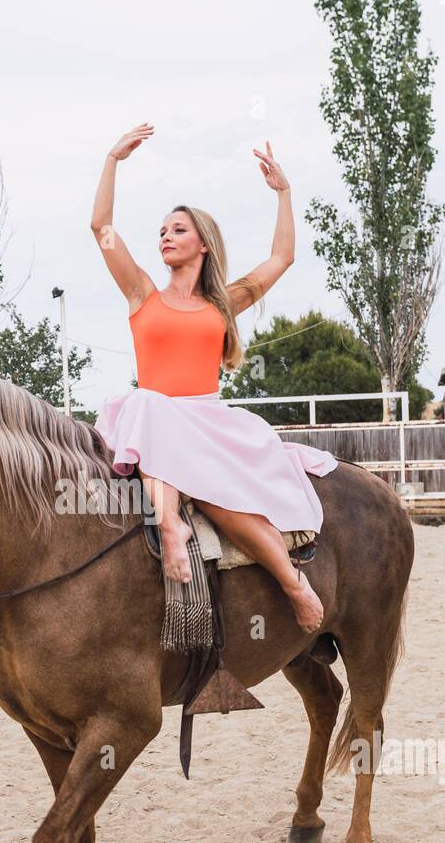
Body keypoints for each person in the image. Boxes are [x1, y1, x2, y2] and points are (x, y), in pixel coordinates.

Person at [91, 123, 338, 633]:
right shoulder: (143, 294)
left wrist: (284, 193)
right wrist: (112, 159)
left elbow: (282, 258)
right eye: (162, 230)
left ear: (203, 244)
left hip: (206, 421)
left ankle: (294, 584)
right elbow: (102, 228)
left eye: (178, 229)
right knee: (145, 404)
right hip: (154, 417)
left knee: (224, 502)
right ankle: (172, 527)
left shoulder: (222, 303)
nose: (166, 236)